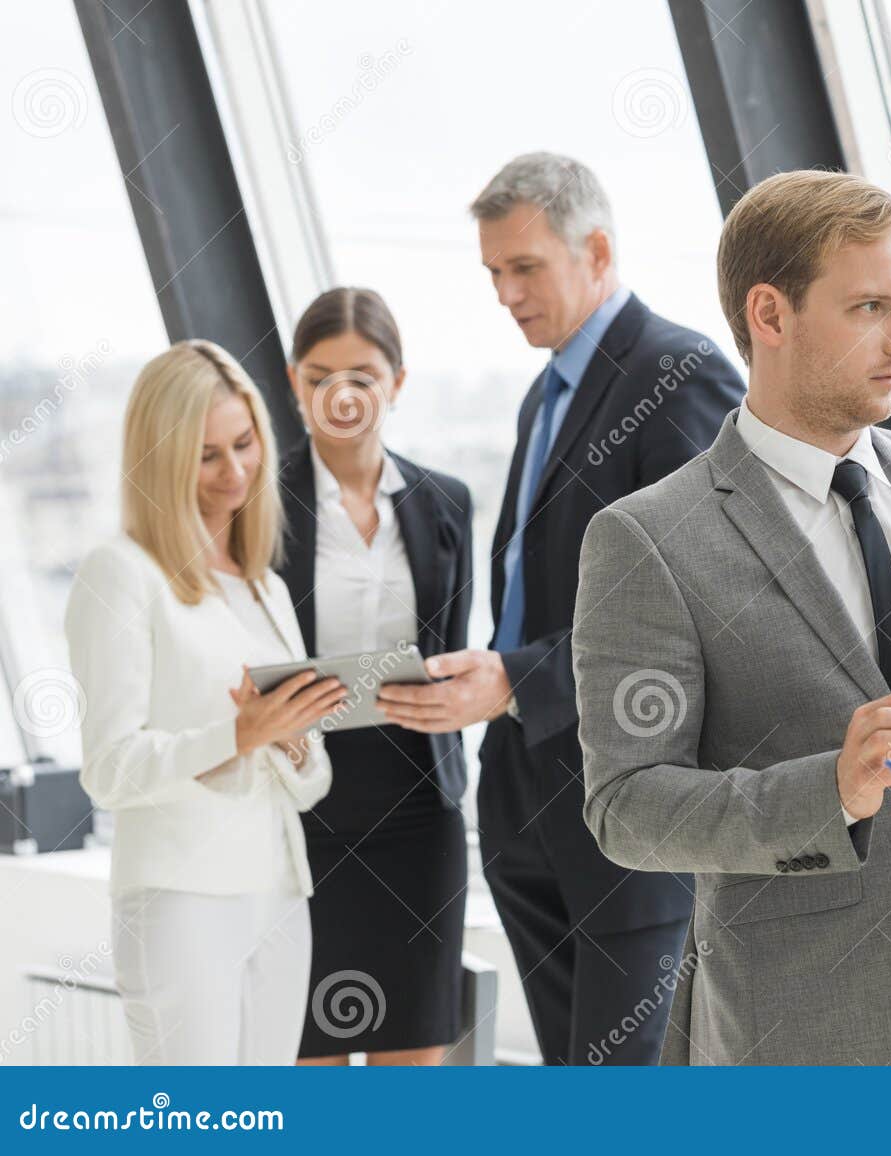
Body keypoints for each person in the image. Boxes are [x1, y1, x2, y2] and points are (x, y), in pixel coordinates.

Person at [572, 169, 891, 1065]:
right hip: (799, 1032)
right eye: (871, 307)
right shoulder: (647, 538)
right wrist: (831, 791)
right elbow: (626, 808)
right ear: (770, 314)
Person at [376, 152, 744, 1065]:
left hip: (627, 813)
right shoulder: (544, 394)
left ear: (598, 250)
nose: (505, 294)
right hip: (526, 800)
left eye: (525, 268)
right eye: (494, 274)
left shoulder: (680, 372)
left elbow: (703, 598)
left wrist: (517, 677)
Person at [64, 340, 344, 1064]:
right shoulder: (121, 573)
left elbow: (311, 782)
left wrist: (287, 739)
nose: (236, 472)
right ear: (160, 456)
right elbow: (109, 767)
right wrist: (239, 733)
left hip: (280, 892)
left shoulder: (265, 588)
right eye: (207, 454)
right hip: (181, 899)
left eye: (245, 444)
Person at [276, 287, 474, 1066]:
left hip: (418, 816)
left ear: (396, 380)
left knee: (415, 1063)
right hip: (303, 814)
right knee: (311, 1062)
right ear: (296, 383)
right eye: (321, 375)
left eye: (362, 372)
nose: (342, 394)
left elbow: (452, 652)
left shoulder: (444, 504)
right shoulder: (260, 506)